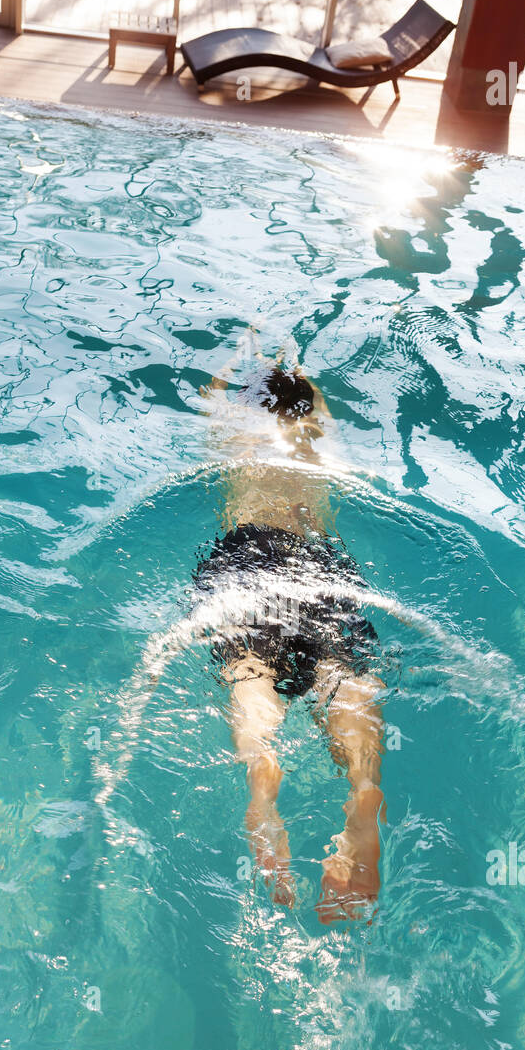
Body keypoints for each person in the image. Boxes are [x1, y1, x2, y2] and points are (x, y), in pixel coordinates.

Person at [194, 340, 387, 923]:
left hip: (248, 553)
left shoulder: (235, 441)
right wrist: (294, 362)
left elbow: (210, 400)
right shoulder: (319, 448)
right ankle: (362, 790)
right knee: (341, 676)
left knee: (251, 674)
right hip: (321, 562)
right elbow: (315, 407)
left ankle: (261, 784)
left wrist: (235, 357)